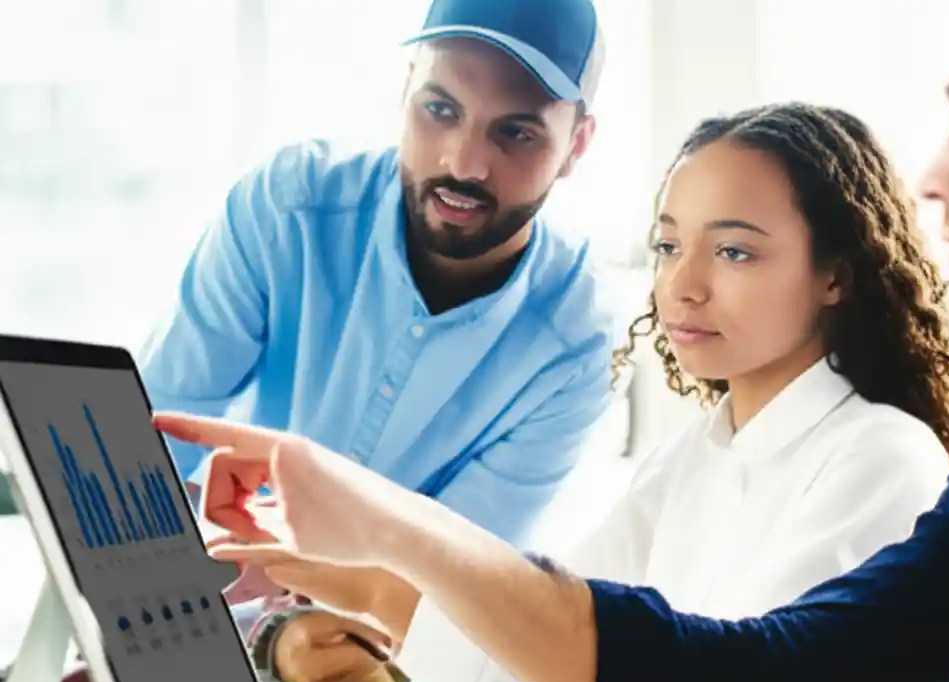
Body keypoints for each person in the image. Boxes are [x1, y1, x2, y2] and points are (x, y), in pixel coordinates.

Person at [158, 0, 949, 682]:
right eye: (666, 247)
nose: (932, 177)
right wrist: (354, 543)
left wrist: (384, 537)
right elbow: (751, 681)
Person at [233, 103, 949, 682]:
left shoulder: (880, 459)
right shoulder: (693, 459)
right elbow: (540, 659)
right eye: (667, 247)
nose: (682, 285)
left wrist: (382, 543)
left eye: (733, 252)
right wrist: (339, 572)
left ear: (837, 277)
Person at [138, 0, 612, 562]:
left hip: (378, 643)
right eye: (440, 109)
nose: (463, 164)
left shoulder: (574, 348)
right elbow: (148, 442)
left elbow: (458, 578)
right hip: (207, 603)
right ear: (407, 88)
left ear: (575, 146)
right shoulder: (288, 212)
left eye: (516, 133)